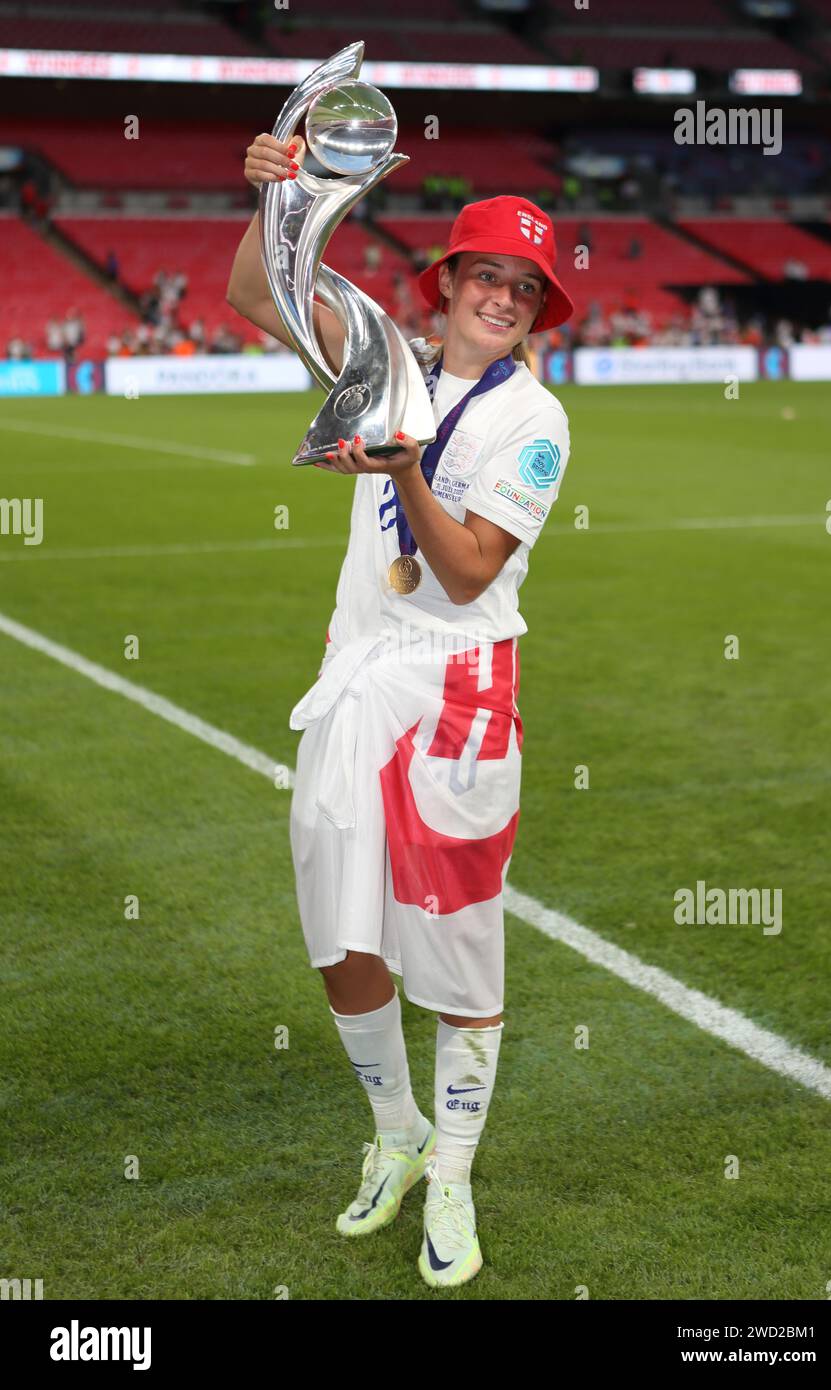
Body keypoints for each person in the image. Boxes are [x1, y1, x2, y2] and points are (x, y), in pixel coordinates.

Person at [227, 131, 574, 1290]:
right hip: (358, 674)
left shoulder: (536, 420)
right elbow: (247, 287)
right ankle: (396, 1130)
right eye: (487, 274)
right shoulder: (381, 351)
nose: (502, 297)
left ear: (536, 313)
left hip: (459, 691)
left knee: (459, 957)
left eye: (524, 288)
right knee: (339, 933)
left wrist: (400, 465)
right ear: (448, 282)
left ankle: (458, 1175)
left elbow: (469, 570)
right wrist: (280, 196)